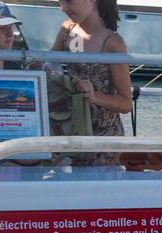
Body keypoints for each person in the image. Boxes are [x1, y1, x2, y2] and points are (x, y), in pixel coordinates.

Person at [51, 0, 131, 166]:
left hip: (103, 140)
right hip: (72, 130)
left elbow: (125, 104)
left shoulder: (112, 44)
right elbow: (50, 64)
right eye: (60, 2)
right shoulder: (68, 30)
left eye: (69, 1)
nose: (63, 8)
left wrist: (95, 96)